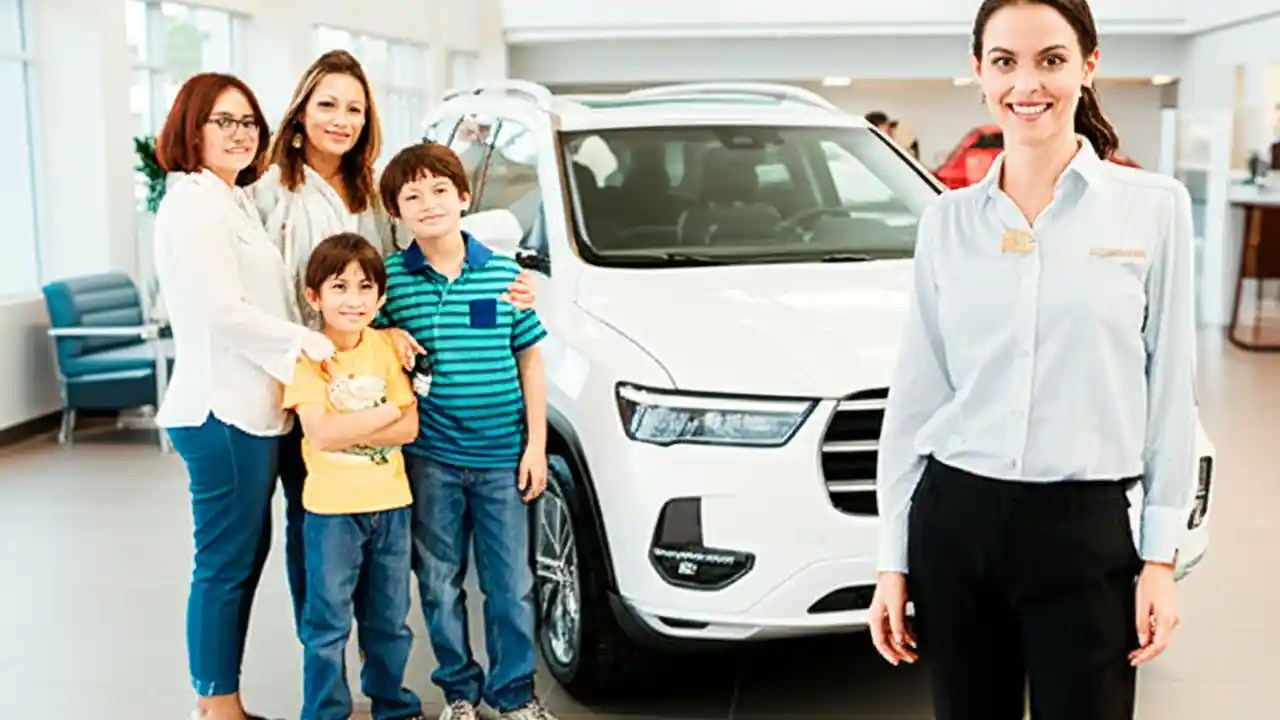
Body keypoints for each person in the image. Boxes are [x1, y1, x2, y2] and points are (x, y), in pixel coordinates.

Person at [867, 1, 1196, 719]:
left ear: (1088, 65)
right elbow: (917, 397)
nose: (1027, 84)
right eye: (1005, 62)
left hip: (1086, 529)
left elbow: (1171, 394)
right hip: (957, 521)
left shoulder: (1154, 208)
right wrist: (892, 558)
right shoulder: (947, 222)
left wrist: (1160, 559)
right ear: (979, 72)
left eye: (1051, 60)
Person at [254, 49, 538, 627]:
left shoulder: (371, 190)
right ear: (301, 111)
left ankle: (375, 648)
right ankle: (323, 649)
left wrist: (510, 282)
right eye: (328, 105)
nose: (341, 119)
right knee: (314, 520)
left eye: (354, 109)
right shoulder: (269, 188)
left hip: (376, 385)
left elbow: (403, 270)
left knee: (382, 531)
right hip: (307, 378)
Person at [152, 72, 337, 720]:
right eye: (223, 121)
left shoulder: (228, 199)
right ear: (191, 128)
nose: (240, 133)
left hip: (251, 406)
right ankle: (217, 706)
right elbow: (221, 312)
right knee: (225, 566)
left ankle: (219, 702)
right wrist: (311, 344)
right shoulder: (195, 205)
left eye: (249, 121)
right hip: (222, 410)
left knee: (240, 559)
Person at [375, 142, 555, 720]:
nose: (428, 204)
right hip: (431, 458)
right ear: (395, 212)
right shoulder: (391, 282)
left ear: (463, 196)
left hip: (503, 457)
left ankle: (515, 695)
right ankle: (458, 693)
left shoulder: (503, 274)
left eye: (439, 190)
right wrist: (386, 335)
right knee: (438, 581)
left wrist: (536, 446)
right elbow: (360, 339)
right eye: (412, 196)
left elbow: (530, 359)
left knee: (511, 584)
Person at [283, 233, 425, 720]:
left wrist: (354, 425)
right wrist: (383, 412)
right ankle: (324, 711)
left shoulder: (386, 347)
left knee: (390, 620)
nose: (354, 300)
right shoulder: (306, 358)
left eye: (366, 288)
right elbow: (321, 435)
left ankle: (394, 705)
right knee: (327, 624)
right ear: (314, 296)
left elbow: (410, 427)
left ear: (381, 298)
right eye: (339, 287)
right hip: (331, 513)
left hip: (391, 506)